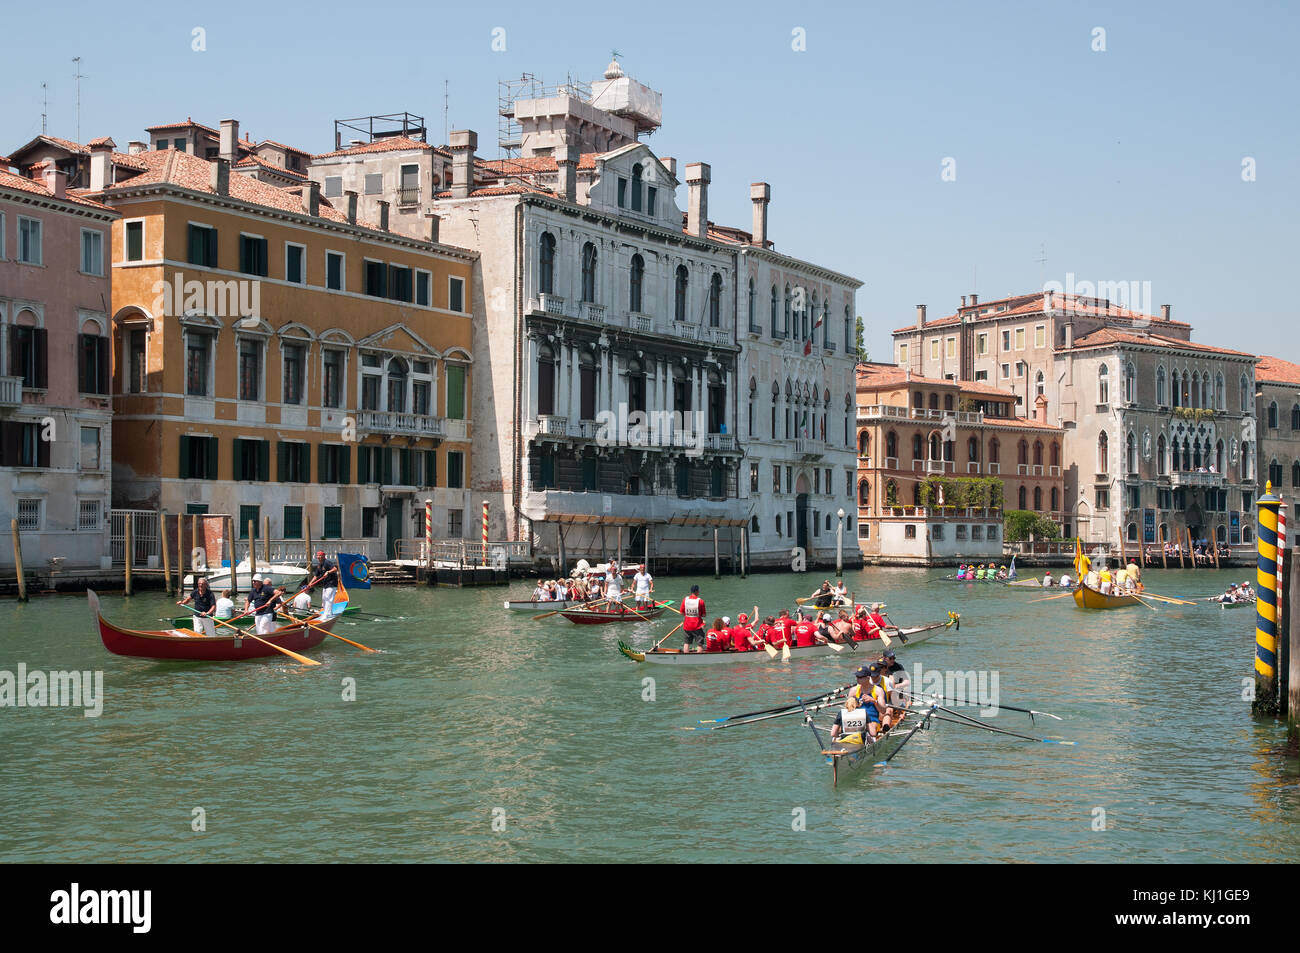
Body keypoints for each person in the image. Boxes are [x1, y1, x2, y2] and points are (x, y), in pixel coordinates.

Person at [306, 550, 340, 616]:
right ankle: (325, 612)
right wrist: (310, 583)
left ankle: (328, 614)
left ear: (324, 556)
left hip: (331, 584)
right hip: (325, 584)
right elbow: (315, 576)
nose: (319, 557)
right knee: (324, 599)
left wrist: (328, 572)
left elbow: (335, 569)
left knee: (328, 599)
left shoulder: (327, 562)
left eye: (320, 555)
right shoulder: (319, 565)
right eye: (318, 555)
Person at [680, 585, 706, 651]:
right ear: (697, 591)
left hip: (687, 625)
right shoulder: (700, 601)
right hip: (697, 625)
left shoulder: (685, 600)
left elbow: (682, 613)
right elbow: (703, 614)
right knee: (700, 643)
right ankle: (699, 658)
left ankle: (686, 657)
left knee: (686, 643)